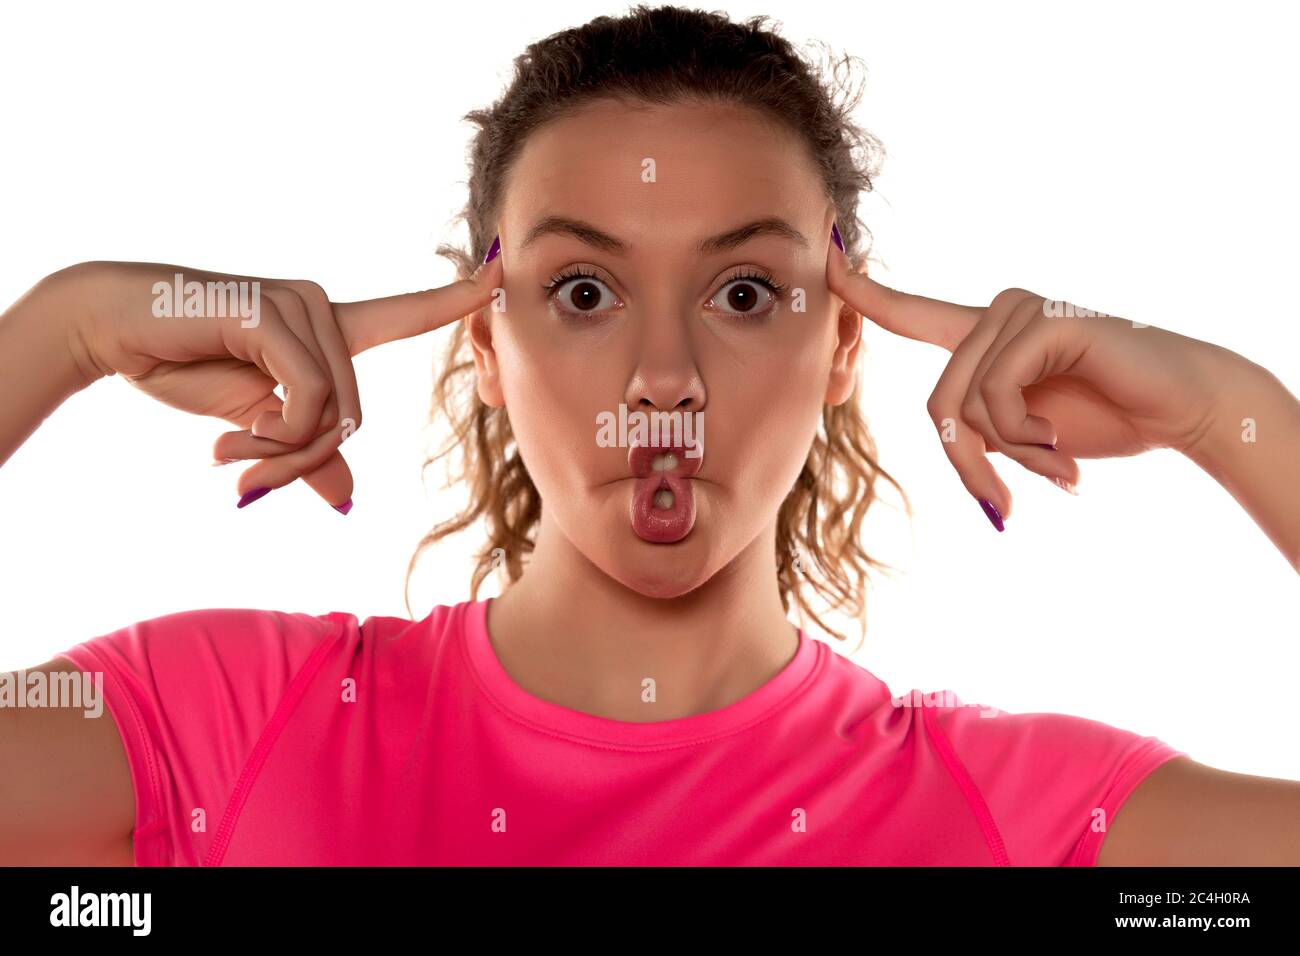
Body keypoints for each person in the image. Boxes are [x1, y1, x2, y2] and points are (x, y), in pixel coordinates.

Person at [1, 4, 1297, 867]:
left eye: (743, 295)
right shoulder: (227, 724)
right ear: (486, 345)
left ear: (843, 345)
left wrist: (1224, 408)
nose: (665, 378)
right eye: (582, 292)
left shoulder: (1016, 818)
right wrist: (53, 337)